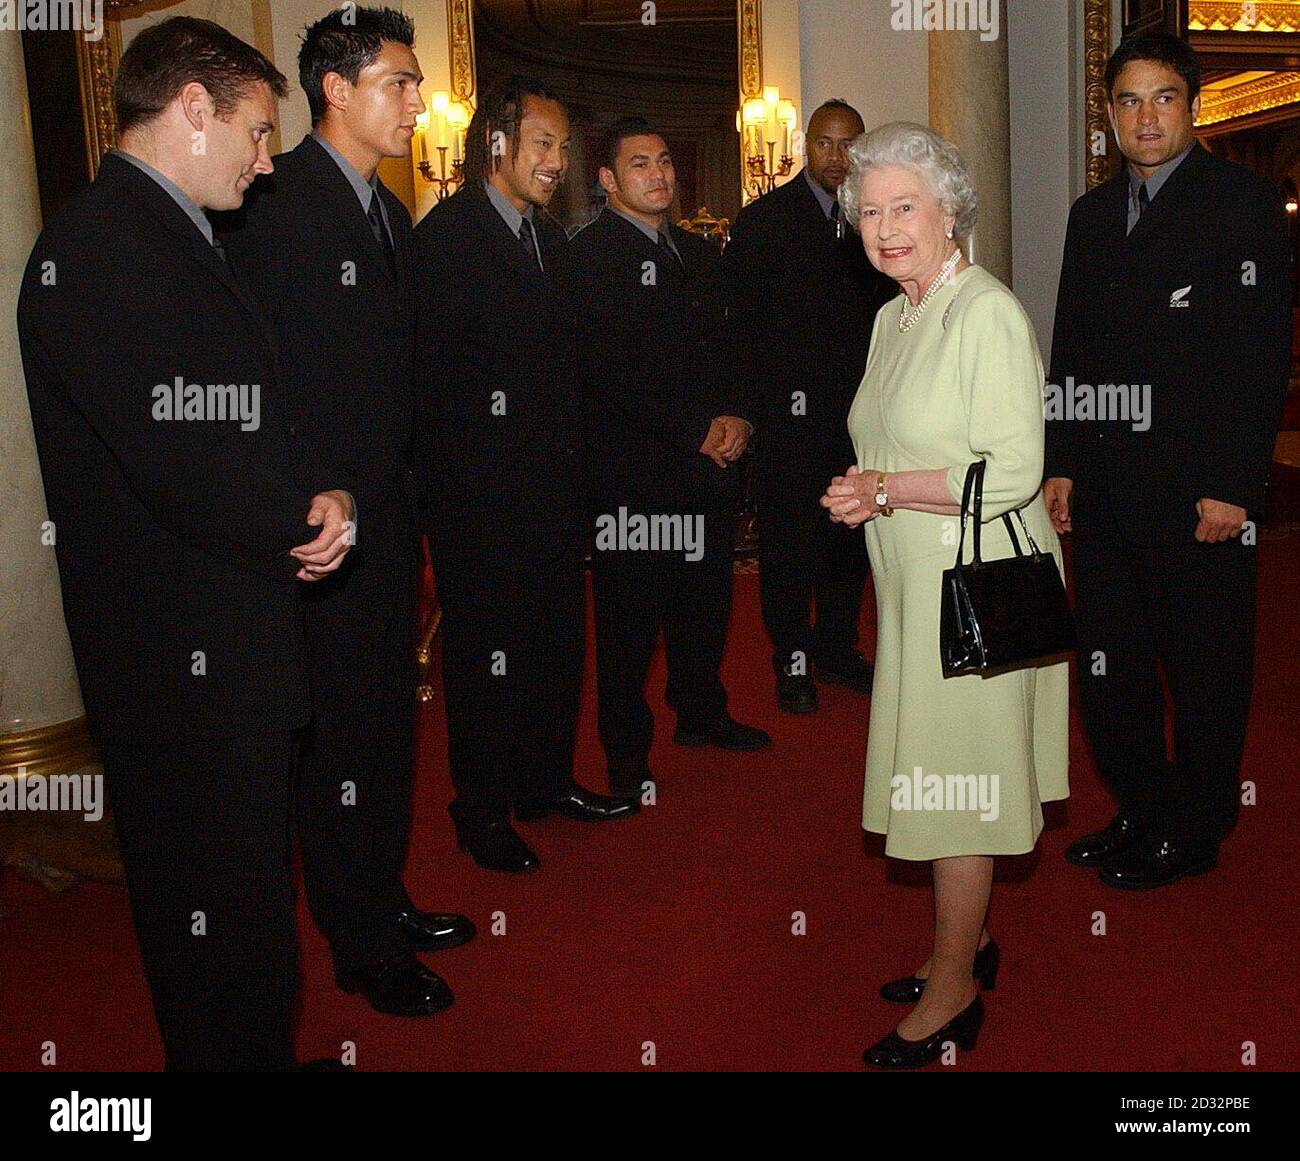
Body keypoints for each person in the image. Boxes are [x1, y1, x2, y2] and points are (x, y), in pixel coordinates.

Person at [17, 17, 356, 1070]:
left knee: (245, 905)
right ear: (193, 107)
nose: (266, 162)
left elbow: (244, 415)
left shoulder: (165, 230)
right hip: (178, 661)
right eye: (256, 132)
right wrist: (299, 520)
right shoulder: (99, 249)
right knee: (214, 918)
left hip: (221, 639)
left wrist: (315, 486)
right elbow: (178, 454)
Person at [221, 6, 472, 1018]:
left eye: (416, 85)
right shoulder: (275, 206)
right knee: (339, 743)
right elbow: (261, 381)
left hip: (385, 518)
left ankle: (379, 894)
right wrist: (303, 508)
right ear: (335, 88)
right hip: (322, 529)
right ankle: (359, 943)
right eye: (399, 83)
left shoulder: (387, 213)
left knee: (384, 729)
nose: (417, 102)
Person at [822, 122, 1069, 1069]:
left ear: (949, 211)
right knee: (938, 768)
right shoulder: (896, 314)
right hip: (914, 583)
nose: (885, 228)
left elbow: (1011, 471)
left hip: (976, 591)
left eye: (904, 208)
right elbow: (895, 440)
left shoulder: (987, 313)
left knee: (958, 788)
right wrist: (867, 489)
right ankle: (961, 945)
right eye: (869, 212)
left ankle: (955, 990)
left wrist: (885, 489)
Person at [1044, 34, 1291, 890]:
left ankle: (1198, 825)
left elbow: (1259, 357)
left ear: (1192, 106)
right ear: (1109, 114)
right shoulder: (1090, 216)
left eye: (1163, 98)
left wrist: (1234, 486)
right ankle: (1141, 805)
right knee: (1111, 668)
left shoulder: (1241, 204)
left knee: (1205, 670)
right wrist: (1062, 460)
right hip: (1105, 491)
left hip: (1198, 496)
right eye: (1128, 101)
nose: (1145, 117)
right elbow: (1071, 347)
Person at [410, 77, 637, 875]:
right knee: (487, 667)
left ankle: (546, 782)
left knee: (553, 654)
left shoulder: (549, 240)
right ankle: (480, 811)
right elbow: (430, 394)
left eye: (564, 146)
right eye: (544, 143)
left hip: (553, 500)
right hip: (481, 512)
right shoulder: (444, 243)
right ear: (496, 144)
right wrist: (458, 508)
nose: (557, 160)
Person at [570, 117, 770, 798]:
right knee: (629, 627)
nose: (658, 174)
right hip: (634, 480)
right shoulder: (590, 256)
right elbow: (606, 373)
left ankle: (700, 713)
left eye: (663, 162)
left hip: (706, 474)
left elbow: (736, 347)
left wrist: (739, 415)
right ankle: (627, 758)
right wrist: (693, 430)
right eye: (639, 164)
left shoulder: (697, 252)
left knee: (705, 605)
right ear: (607, 179)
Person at [724, 99, 895, 715]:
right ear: (806, 147)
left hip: (861, 421)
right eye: (825, 143)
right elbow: (738, 329)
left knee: (851, 544)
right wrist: (750, 414)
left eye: (849, 144)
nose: (837, 157)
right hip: (788, 426)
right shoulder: (764, 221)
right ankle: (792, 662)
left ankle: (837, 649)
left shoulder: (880, 219)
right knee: (790, 552)